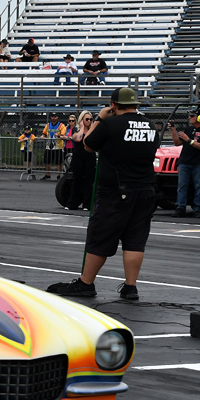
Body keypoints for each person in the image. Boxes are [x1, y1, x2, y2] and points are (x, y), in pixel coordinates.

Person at [46, 88, 159, 301]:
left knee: (100, 236)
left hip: (115, 190)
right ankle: (130, 286)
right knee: (135, 239)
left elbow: (88, 144)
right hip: (145, 188)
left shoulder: (111, 123)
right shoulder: (150, 125)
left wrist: (99, 119)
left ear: (113, 105)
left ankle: (86, 282)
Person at [171, 108, 200, 218]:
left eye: (192, 116)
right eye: (189, 116)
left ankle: (198, 209)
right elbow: (177, 143)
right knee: (182, 185)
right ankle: (180, 207)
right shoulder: (188, 129)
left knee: (199, 185)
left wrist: (189, 140)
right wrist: (173, 130)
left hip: (198, 162)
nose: (189, 118)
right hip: (184, 161)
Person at [64, 111, 96, 211]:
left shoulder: (93, 130)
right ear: (82, 120)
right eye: (87, 119)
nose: (89, 121)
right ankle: (72, 203)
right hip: (78, 156)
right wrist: (82, 127)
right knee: (77, 180)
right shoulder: (76, 129)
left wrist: (92, 128)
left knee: (88, 181)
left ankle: (87, 204)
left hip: (90, 156)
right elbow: (77, 139)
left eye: (90, 119)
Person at [41, 112, 66, 179]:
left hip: (58, 146)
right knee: (46, 160)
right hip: (48, 146)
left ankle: (58, 175)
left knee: (58, 162)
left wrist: (59, 135)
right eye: (52, 116)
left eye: (55, 116)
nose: (53, 118)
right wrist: (43, 136)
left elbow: (63, 134)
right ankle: (47, 174)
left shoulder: (61, 125)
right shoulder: (48, 125)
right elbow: (44, 133)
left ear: (57, 117)